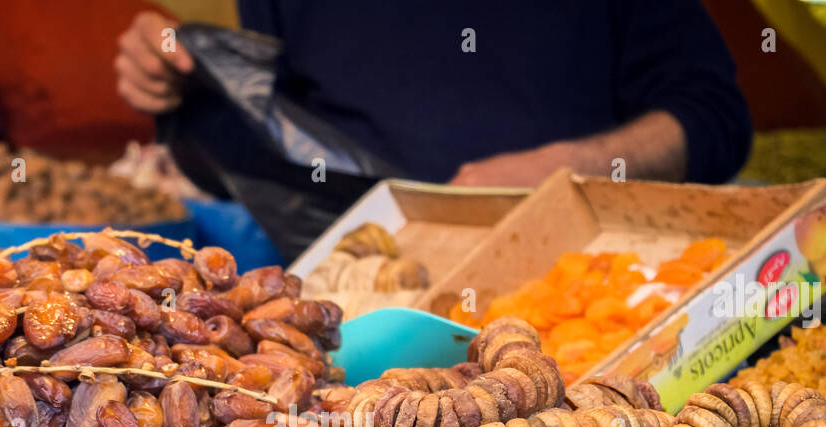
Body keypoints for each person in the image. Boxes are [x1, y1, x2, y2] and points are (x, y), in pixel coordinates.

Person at [116, 2, 752, 251]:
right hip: (368, 304)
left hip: (585, 280)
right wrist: (176, 85)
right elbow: (261, 154)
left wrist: (574, 170)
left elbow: (715, 119)